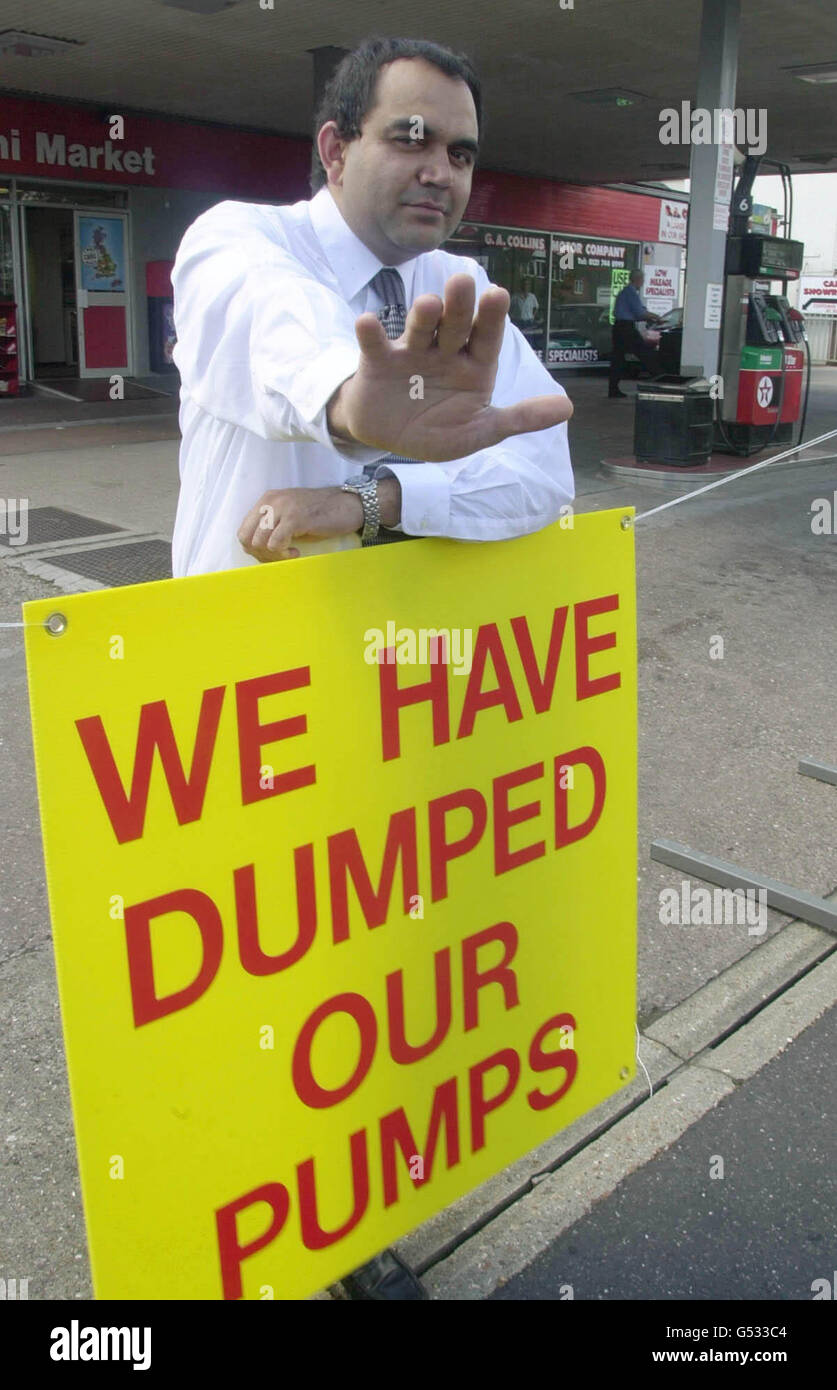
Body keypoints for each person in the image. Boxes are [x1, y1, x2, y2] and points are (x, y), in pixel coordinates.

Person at [169, 34, 574, 1299]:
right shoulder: (240, 243)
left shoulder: (462, 286)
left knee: (364, 976)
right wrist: (357, 405)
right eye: (409, 138)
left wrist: (384, 495)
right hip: (240, 719)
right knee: (237, 985)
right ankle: (236, 1230)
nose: (440, 171)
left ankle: (339, 1217)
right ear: (335, 147)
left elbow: (543, 472)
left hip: (392, 704)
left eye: (460, 151)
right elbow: (277, 341)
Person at [608, 269, 663, 398]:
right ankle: (660, 379)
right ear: (638, 280)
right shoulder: (631, 293)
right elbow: (639, 313)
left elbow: (635, 314)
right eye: (642, 280)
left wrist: (648, 317)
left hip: (619, 327)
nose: (643, 283)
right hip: (626, 328)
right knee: (645, 353)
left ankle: (613, 389)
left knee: (618, 359)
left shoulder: (624, 292)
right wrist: (657, 317)